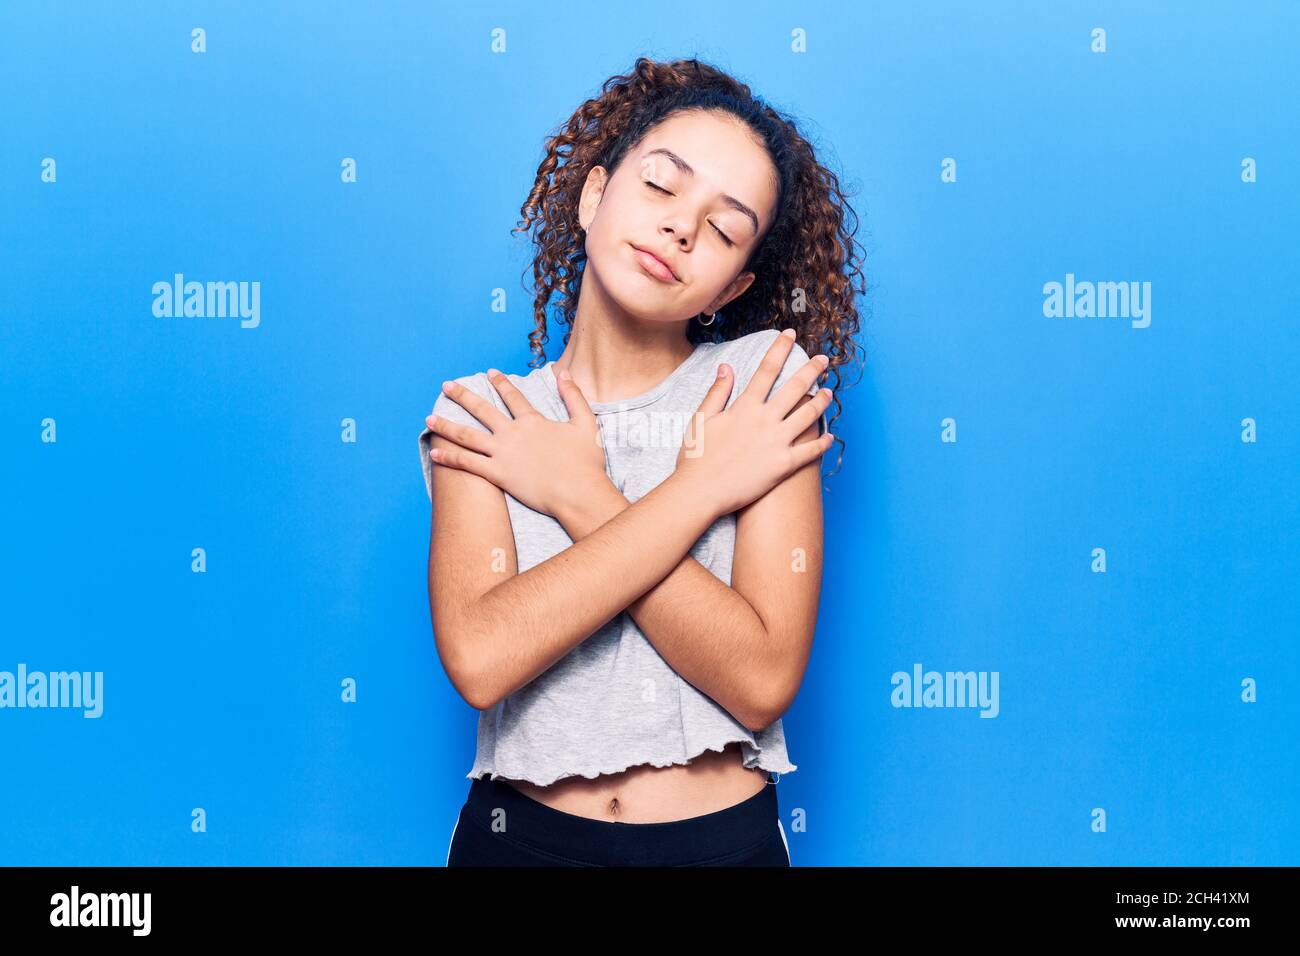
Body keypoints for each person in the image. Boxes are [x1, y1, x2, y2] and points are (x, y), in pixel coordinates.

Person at [419, 56, 866, 866]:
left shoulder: (759, 392)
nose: (681, 228)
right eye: (661, 186)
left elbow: (761, 679)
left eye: (725, 228)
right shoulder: (487, 418)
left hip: (719, 844)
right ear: (594, 196)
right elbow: (483, 661)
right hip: (519, 842)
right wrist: (702, 489)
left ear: (732, 288)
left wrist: (579, 493)